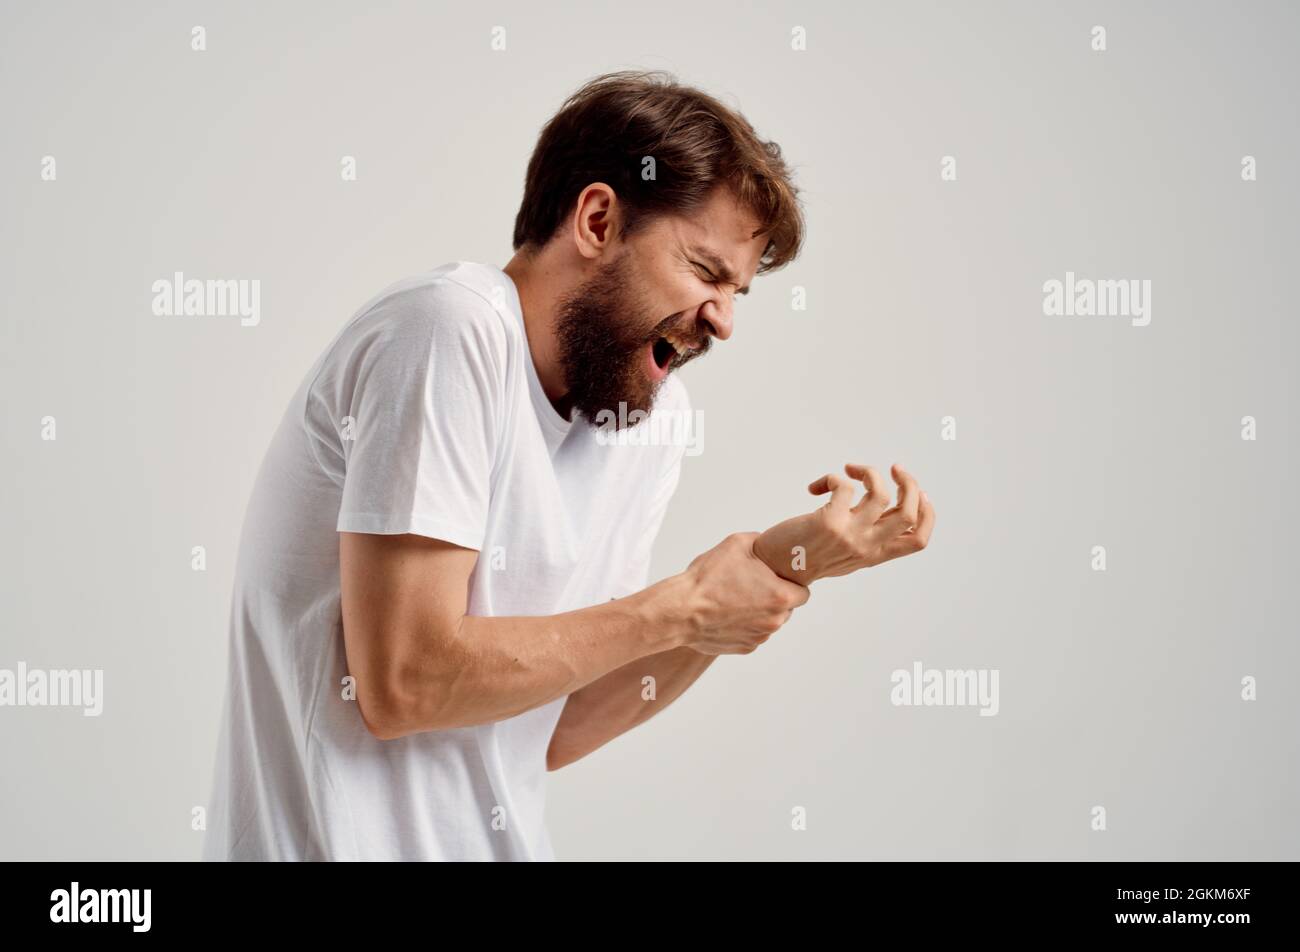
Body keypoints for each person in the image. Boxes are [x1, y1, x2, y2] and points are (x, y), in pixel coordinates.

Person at [202, 70, 935, 862]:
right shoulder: (447, 331)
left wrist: (768, 572)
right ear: (596, 219)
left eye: (740, 292)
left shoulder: (649, 417)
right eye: (705, 271)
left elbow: (559, 724)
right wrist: (683, 606)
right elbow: (402, 682)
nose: (723, 320)